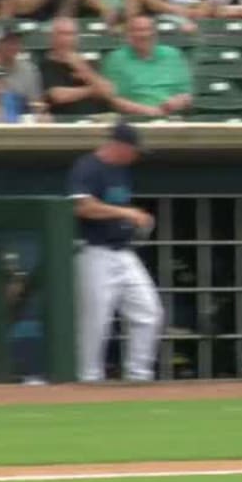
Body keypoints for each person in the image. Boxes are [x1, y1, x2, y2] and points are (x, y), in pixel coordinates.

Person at [68, 122, 161, 382]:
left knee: (149, 312)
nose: (136, 156)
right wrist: (126, 213)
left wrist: (133, 220)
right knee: (95, 321)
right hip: (93, 252)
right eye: (134, 150)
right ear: (120, 145)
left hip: (123, 251)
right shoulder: (88, 167)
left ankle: (139, 376)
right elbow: (82, 207)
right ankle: (88, 379)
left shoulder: (122, 172)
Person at [102, 16, 194, 117]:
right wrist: (148, 111)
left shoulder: (173, 54)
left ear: (155, 33)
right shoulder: (116, 59)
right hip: (133, 118)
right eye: (137, 30)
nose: (143, 35)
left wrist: (179, 101)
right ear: (128, 35)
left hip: (173, 117)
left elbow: (187, 93)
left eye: (147, 29)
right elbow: (113, 100)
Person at [40, 17, 114, 117]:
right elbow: (58, 96)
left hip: (97, 120)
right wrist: (92, 90)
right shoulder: (46, 64)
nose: (67, 39)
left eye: (72, 34)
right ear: (53, 37)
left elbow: (108, 92)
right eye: (63, 34)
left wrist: (81, 67)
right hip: (66, 122)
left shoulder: (87, 63)